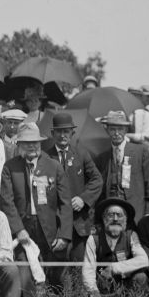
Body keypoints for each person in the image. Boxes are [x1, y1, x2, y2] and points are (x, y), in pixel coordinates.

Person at [0, 122, 72, 297]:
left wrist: (64, 234)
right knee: (24, 270)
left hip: (50, 228)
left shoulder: (54, 166)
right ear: (19, 145)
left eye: (35, 143)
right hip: (23, 228)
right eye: (27, 143)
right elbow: (7, 202)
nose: (32, 146)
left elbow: (65, 203)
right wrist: (18, 229)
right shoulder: (10, 167)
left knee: (56, 273)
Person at [43, 112, 103, 272]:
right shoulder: (45, 157)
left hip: (78, 222)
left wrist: (83, 199)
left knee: (78, 263)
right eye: (59, 132)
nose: (63, 135)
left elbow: (97, 180)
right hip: (56, 221)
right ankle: (56, 296)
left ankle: (78, 296)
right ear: (52, 133)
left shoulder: (81, 154)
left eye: (66, 132)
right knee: (56, 266)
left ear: (72, 133)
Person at [83, 197, 149, 297]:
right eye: (110, 215)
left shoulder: (131, 236)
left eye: (119, 215)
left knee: (141, 277)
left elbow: (143, 260)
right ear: (104, 219)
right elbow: (87, 274)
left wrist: (114, 268)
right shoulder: (93, 239)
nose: (115, 219)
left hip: (125, 290)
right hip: (102, 291)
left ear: (126, 219)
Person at [96, 110, 149, 220]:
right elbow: (100, 190)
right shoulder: (102, 157)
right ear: (107, 130)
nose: (117, 133)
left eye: (120, 129)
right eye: (112, 129)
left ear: (126, 130)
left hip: (136, 211)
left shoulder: (140, 151)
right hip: (112, 212)